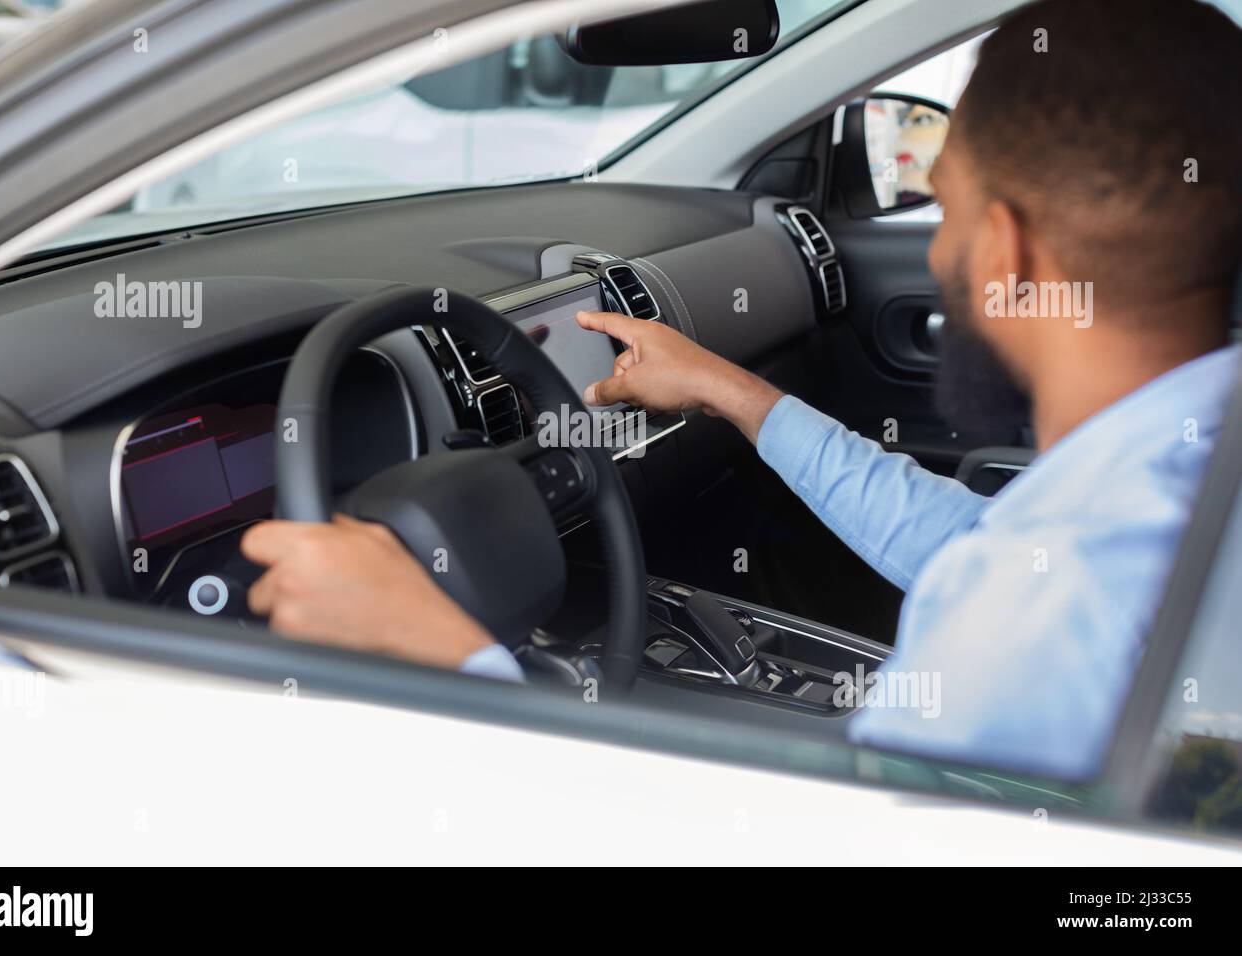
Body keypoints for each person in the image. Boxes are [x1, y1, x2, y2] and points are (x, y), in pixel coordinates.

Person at [241, 0, 1242, 777]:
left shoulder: (1041, 620)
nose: (937, 249)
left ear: (1010, 245)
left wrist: (452, 668)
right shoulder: (1165, 478)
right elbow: (976, 547)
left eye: (946, 212)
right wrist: (733, 392)